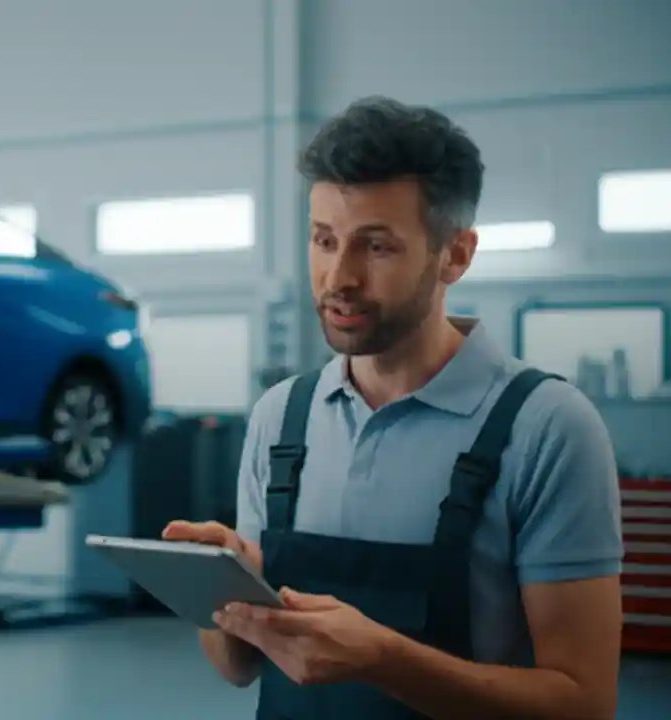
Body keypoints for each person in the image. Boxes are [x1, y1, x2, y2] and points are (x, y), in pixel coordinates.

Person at [164, 97, 623, 718]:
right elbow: (236, 667)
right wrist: (225, 589)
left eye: (375, 248)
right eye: (324, 240)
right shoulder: (280, 417)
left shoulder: (546, 427)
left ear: (455, 256)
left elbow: (583, 705)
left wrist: (384, 659)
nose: (337, 278)